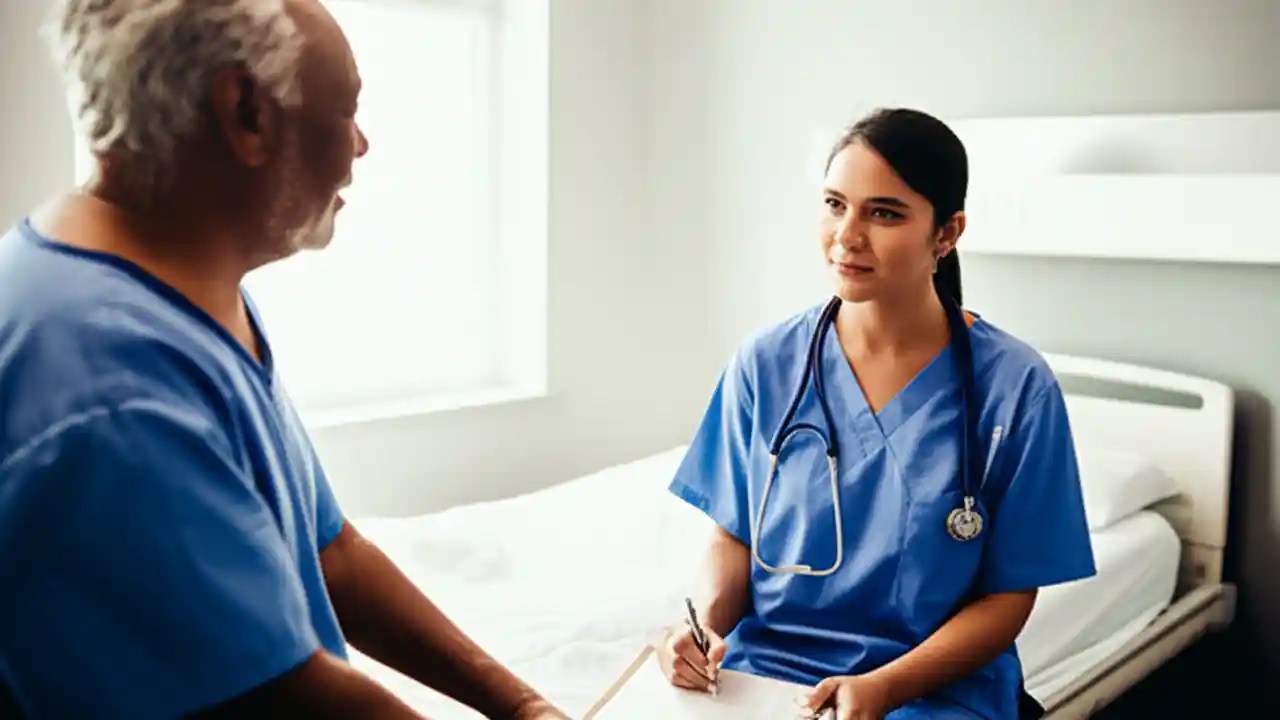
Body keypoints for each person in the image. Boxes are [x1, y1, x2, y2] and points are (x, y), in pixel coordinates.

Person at [0, 1, 566, 718]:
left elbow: (328, 552)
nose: (361, 145)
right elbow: (290, 700)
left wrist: (521, 705)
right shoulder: (107, 390)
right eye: (347, 108)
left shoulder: (174, 288)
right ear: (246, 114)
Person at [656, 108, 1097, 719]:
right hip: (764, 677)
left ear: (946, 233)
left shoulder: (1015, 387)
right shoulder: (766, 364)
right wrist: (702, 628)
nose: (848, 235)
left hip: (928, 690)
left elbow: (1009, 596)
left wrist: (885, 688)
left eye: (884, 213)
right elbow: (734, 534)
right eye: (836, 205)